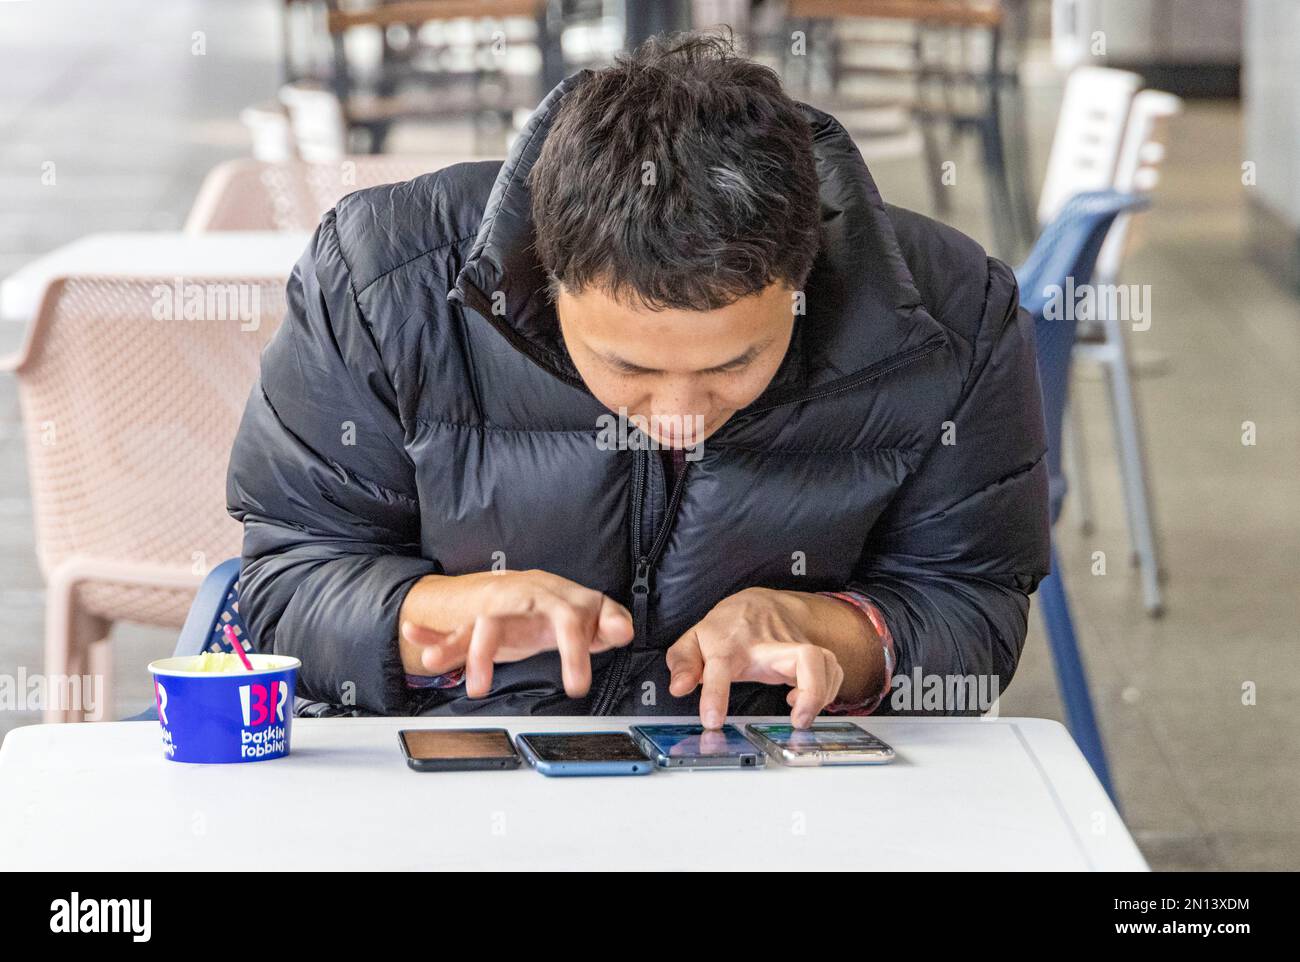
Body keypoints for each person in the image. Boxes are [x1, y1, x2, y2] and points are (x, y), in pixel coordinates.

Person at [227, 33, 1049, 724]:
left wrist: (833, 632)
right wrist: (429, 617)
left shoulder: (953, 313)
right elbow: (283, 581)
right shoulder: (378, 280)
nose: (680, 416)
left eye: (734, 364)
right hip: (455, 771)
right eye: (627, 366)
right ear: (544, 277)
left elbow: (973, 601)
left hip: (774, 786)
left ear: (803, 279)